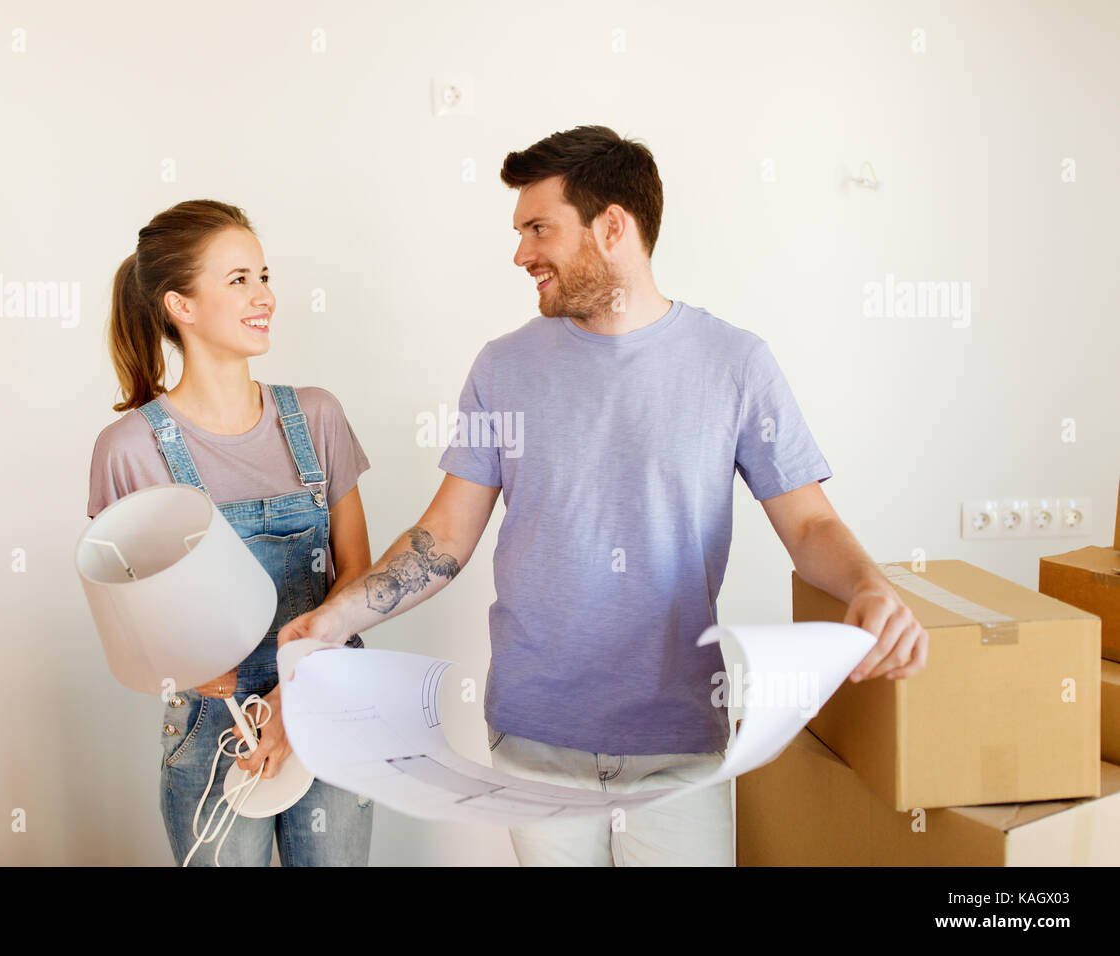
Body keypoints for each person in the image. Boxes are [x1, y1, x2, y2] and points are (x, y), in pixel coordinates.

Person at [275, 126, 930, 867]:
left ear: (613, 225)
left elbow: (808, 522)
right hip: (534, 740)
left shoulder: (735, 364)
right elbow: (446, 536)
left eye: (538, 228)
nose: (521, 253)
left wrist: (872, 586)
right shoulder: (503, 367)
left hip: (681, 740)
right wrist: (336, 616)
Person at [86, 199, 374, 866]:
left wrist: (290, 695)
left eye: (264, 276)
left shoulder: (316, 415)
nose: (264, 296)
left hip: (325, 705)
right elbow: (128, 619)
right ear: (180, 305)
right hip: (219, 730)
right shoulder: (130, 449)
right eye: (239, 279)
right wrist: (180, 665)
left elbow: (357, 572)